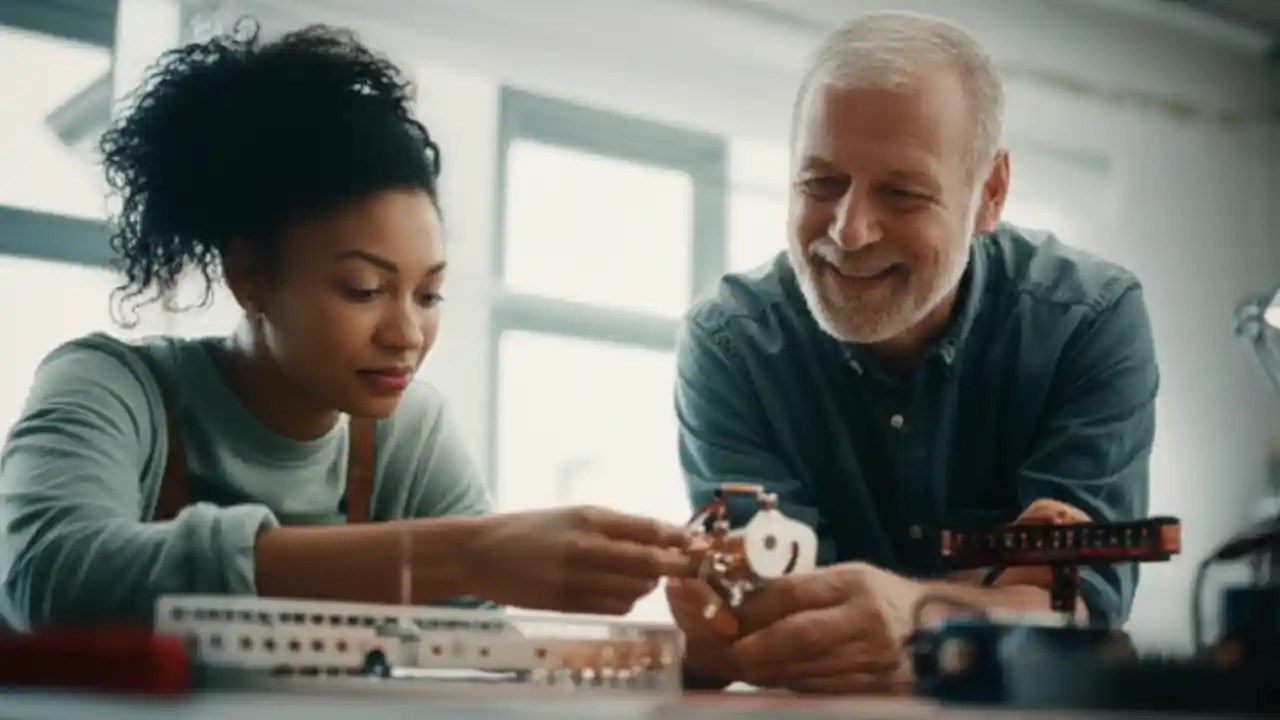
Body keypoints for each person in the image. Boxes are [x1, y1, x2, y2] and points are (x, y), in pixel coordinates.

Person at [0, 22, 689, 631]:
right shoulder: (111, 385)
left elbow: (475, 645)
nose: (407, 334)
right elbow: (49, 575)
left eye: (429, 294)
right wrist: (463, 554)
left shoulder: (409, 434)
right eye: (365, 289)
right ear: (251, 278)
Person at [667, 11, 1158, 693]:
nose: (850, 231)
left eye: (901, 192)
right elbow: (770, 614)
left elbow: (1084, 609)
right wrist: (989, 604)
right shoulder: (728, 343)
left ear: (990, 194)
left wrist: (913, 613)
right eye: (820, 183)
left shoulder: (1089, 321)